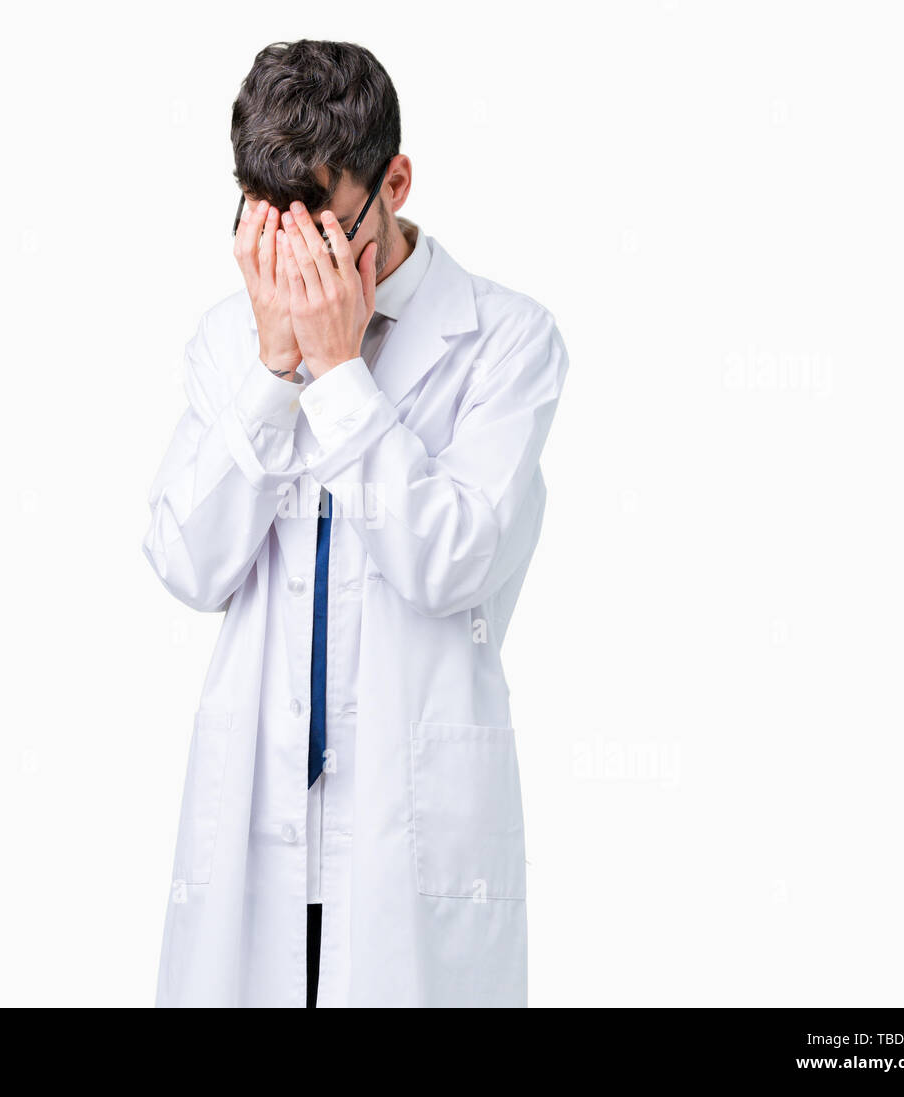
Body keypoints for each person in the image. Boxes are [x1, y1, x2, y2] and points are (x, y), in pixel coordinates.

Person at [144, 39, 569, 1007]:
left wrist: (337, 377)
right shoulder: (227, 339)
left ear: (396, 182)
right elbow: (185, 561)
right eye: (269, 231)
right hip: (257, 843)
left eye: (328, 236)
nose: (296, 270)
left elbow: (450, 559)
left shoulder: (506, 341)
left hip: (410, 847)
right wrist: (270, 370)